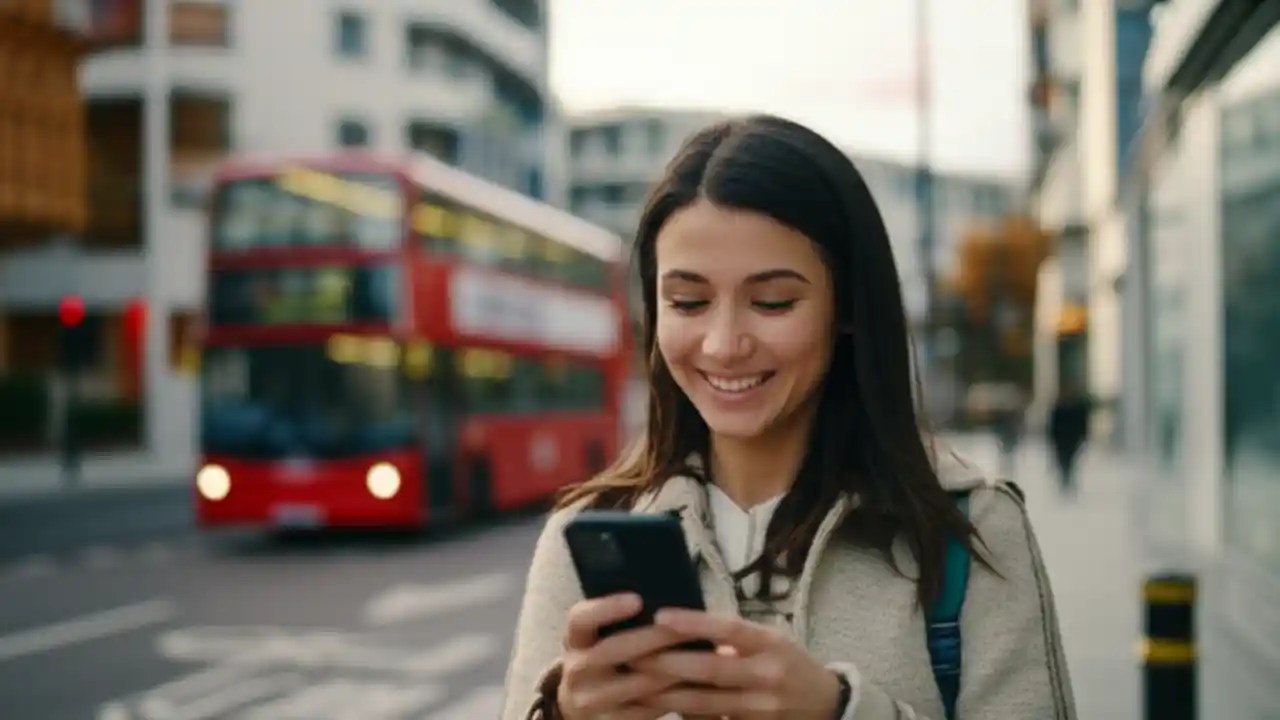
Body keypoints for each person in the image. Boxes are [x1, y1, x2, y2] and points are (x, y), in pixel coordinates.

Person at [500, 115, 1076, 720]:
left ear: (847, 306)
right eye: (688, 302)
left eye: (772, 302)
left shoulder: (970, 528)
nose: (723, 344)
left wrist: (839, 711)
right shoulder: (587, 535)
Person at [1047, 385, 1090, 497]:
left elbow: (1082, 425)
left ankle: (1067, 482)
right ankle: (1066, 482)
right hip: (1065, 440)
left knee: (1068, 462)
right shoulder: (1063, 408)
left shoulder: (1074, 408)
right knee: (1065, 462)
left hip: (1069, 440)